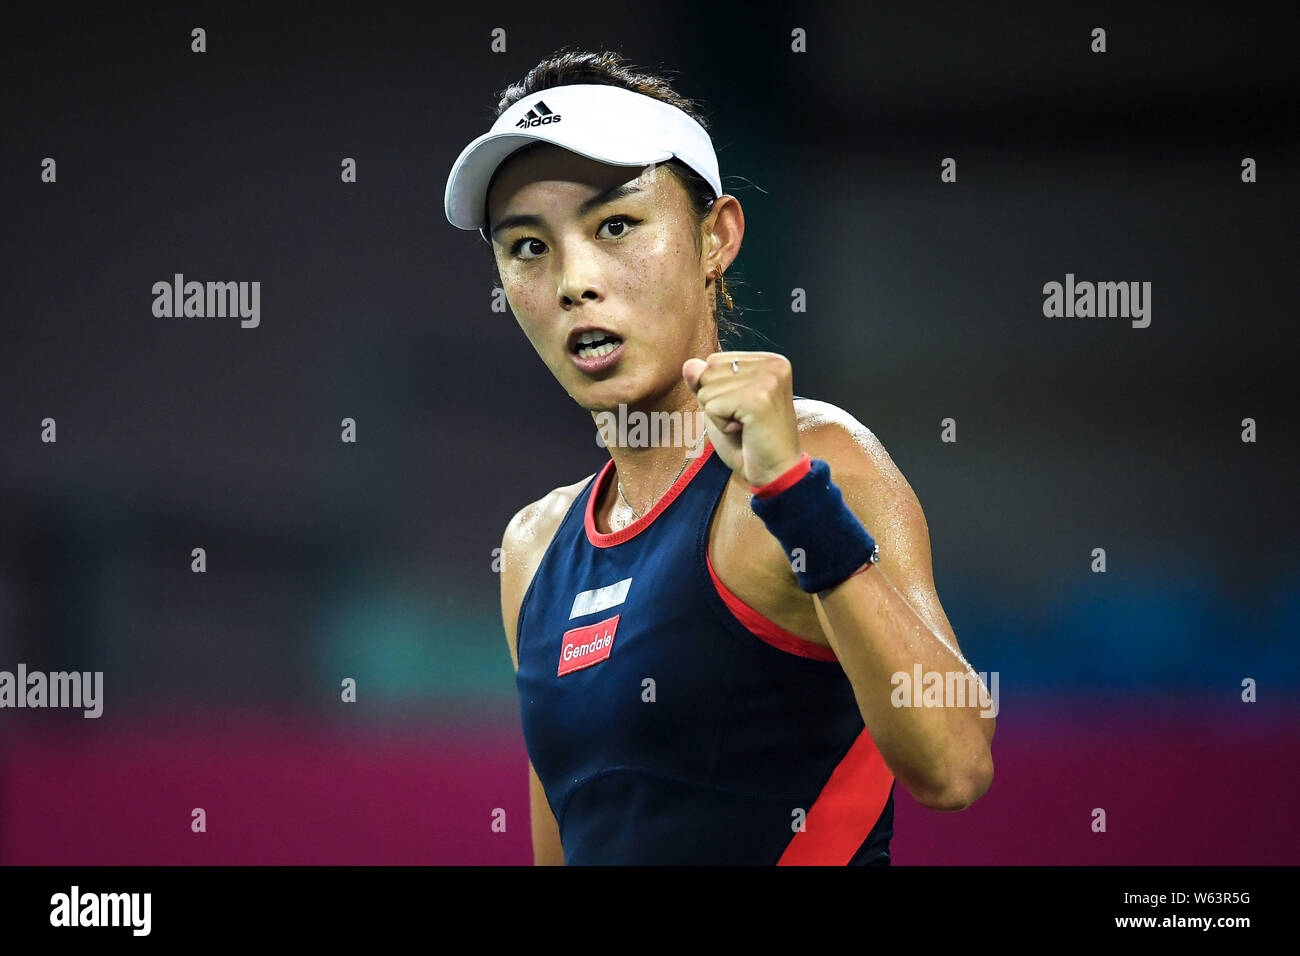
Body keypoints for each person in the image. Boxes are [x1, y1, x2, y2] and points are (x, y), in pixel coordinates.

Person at [444, 49, 995, 864]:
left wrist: (790, 492)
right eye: (528, 247)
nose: (573, 281)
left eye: (616, 225)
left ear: (716, 238)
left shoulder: (820, 459)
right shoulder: (533, 549)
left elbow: (955, 766)